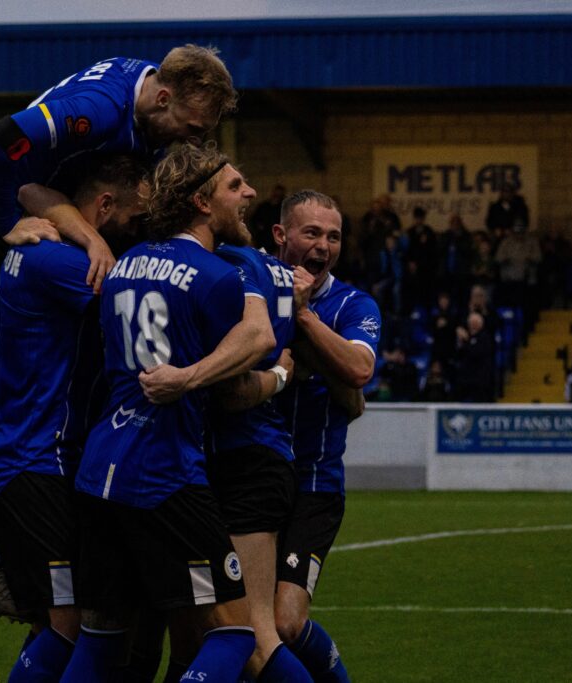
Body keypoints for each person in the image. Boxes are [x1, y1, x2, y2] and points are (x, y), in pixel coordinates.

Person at [0, 44, 237, 611]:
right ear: (163, 96)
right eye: (191, 127)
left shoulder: (144, 90)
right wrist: (12, 222)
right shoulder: (99, 108)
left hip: (52, 220)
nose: (190, 140)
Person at [62, 142, 274, 682]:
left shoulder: (125, 263)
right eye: (234, 186)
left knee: (103, 636)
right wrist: (274, 374)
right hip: (165, 472)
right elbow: (254, 343)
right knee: (234, 633)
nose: (248, 193)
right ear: (201, 201)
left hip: (99, 470)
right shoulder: (217, 276)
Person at [0, 153, 149, 681]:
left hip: (43, 455)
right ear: (103, 205)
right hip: (33, 459)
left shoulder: (45, 244)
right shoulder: (62, 262)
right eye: (135, 218)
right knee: (67, 625)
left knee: (78, 619)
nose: (139, 229)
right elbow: (148, 307)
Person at [272, 189, 380, 682]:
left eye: (333, 236)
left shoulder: (353, 303)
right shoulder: (249, 286)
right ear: (281, 235)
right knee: (234, 625)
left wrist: (302, 317)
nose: (324, 245)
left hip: (314, 485)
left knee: (286, 624)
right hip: (246, 477)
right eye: (312, 232)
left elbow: (358, 370)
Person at [204, 239, 308, 681]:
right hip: (248, 460)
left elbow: (235, 392)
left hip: (247, 461)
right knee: (202, 638)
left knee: (253, 637)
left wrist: (280, 375)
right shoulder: (271, 271)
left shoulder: (233, 263)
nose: (246, 191)